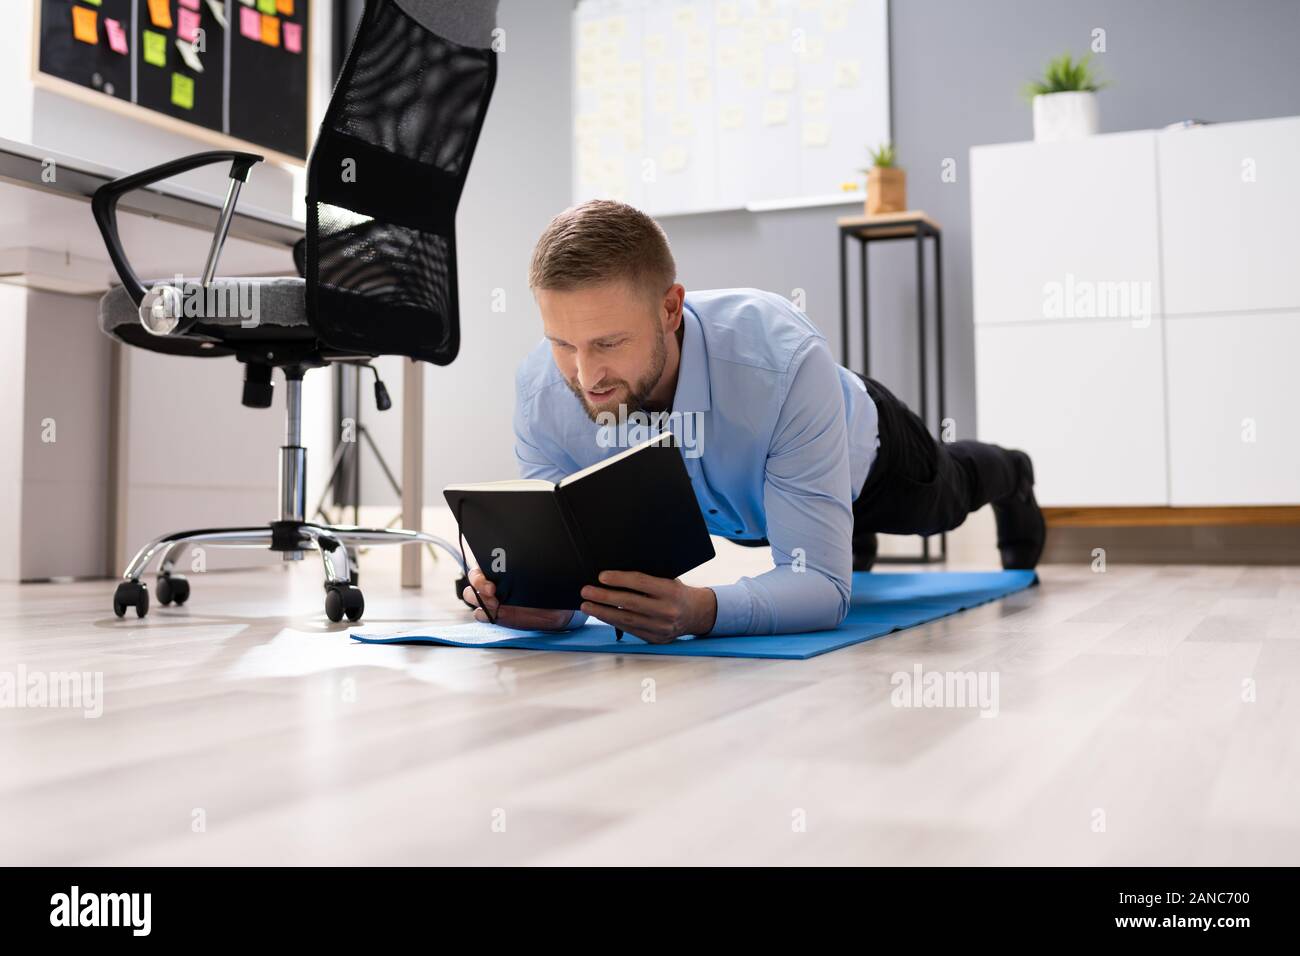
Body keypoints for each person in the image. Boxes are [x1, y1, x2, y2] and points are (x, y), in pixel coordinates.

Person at [462, 200, 1044, 643]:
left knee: (946, 498)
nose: (586, 375)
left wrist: (700, 610)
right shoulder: (543, 390)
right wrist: (530, 596)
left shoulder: (781, 358)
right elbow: (567, 569)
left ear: (670, 309)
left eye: (609, 342)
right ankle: (839, 533)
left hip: (867, 461)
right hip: (773, 493)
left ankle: (1012, 472)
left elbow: (823, 588)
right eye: (563, 342)